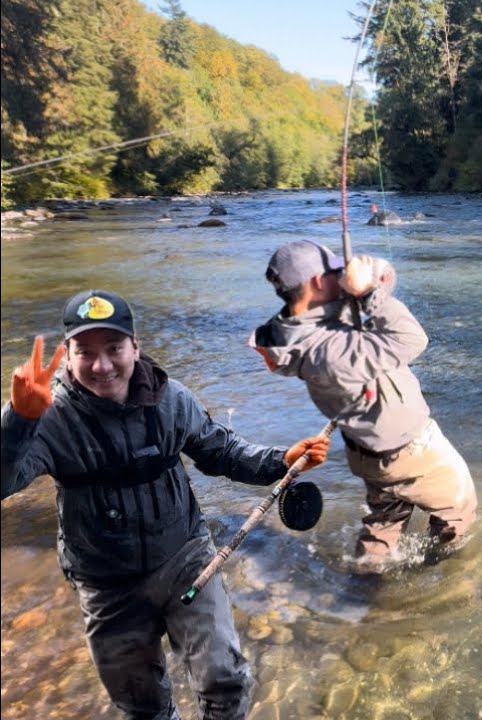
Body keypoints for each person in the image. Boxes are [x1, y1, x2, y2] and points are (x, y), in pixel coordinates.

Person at [1, 289, 331, 720]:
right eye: (85, 352)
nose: (102, 365)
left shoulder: (171, 399)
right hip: (104, 579)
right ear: (68, 356)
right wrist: (18, 421)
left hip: (185, 558)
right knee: (142, 705)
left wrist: (281, 460)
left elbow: (222, 452)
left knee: (224, 681)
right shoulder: (48, 416)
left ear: (135, 347)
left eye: (114, 348)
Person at [252, 240, 477, 569]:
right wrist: (368, 293)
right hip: (409, 451)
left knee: (385, 522)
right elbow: (412, 339)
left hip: (369, 452)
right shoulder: (329, 352)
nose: (341, 275)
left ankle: (366, 580)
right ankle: (446, 573)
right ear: (317, 281)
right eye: (334, 271)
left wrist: (367, 285)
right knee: (459, 510)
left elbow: (383, 283)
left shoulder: (297, 327)